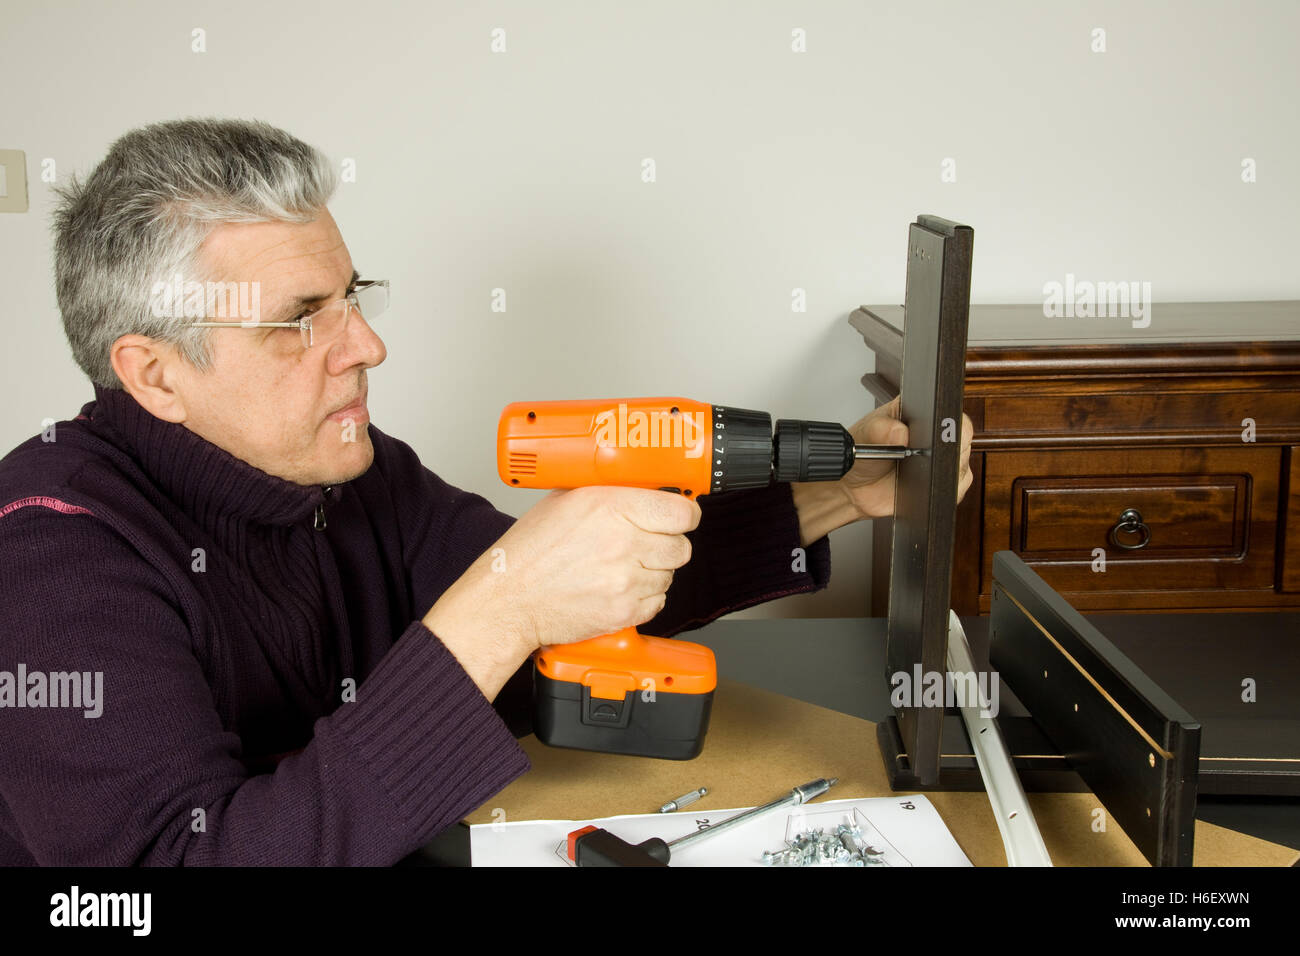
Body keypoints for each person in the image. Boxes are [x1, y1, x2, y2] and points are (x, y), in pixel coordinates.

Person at [0, 118, 972, 865]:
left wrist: (843, 487)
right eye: (299, 320)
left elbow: (581, 595)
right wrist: (501, 605)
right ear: (155, 372)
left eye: (353, 294)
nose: (367, 345)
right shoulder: (49, 558)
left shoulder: (345, 468)